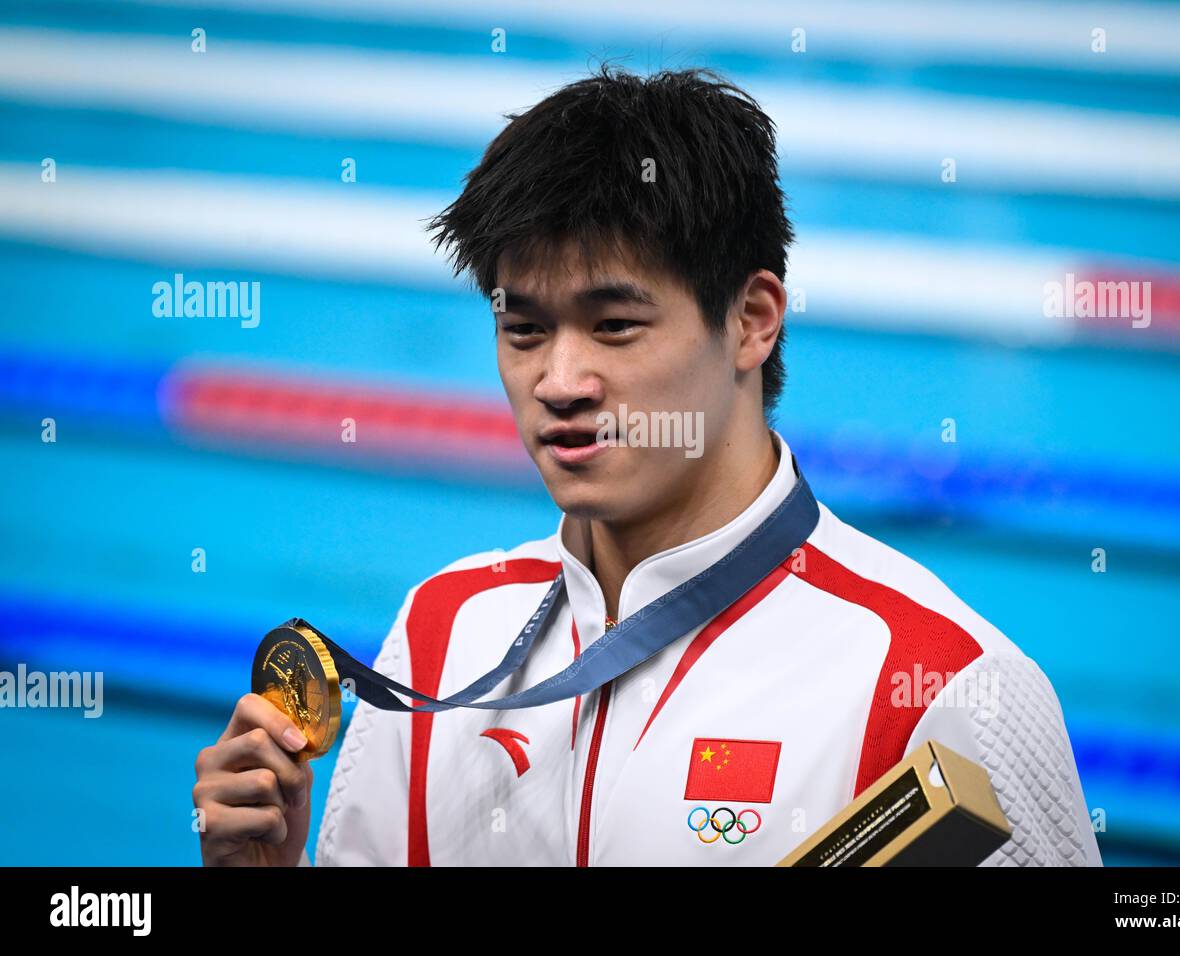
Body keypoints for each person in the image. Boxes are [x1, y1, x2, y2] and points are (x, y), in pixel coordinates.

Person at [194, 65, 1102, 867]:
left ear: (752, 319)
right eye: (524, 330)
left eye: (615, 326)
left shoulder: (942, 684)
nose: (559, 382)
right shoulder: (444, 630)